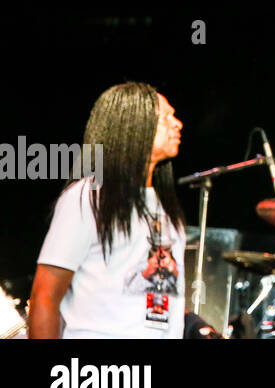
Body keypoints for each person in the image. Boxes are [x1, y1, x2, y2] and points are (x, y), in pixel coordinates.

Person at [27, 82, 186, 339]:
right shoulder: (89, 197)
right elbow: (44, 296)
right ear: (134, 124)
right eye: (166, 117)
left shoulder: (166, 211)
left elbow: (154, 298)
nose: (177, 124)